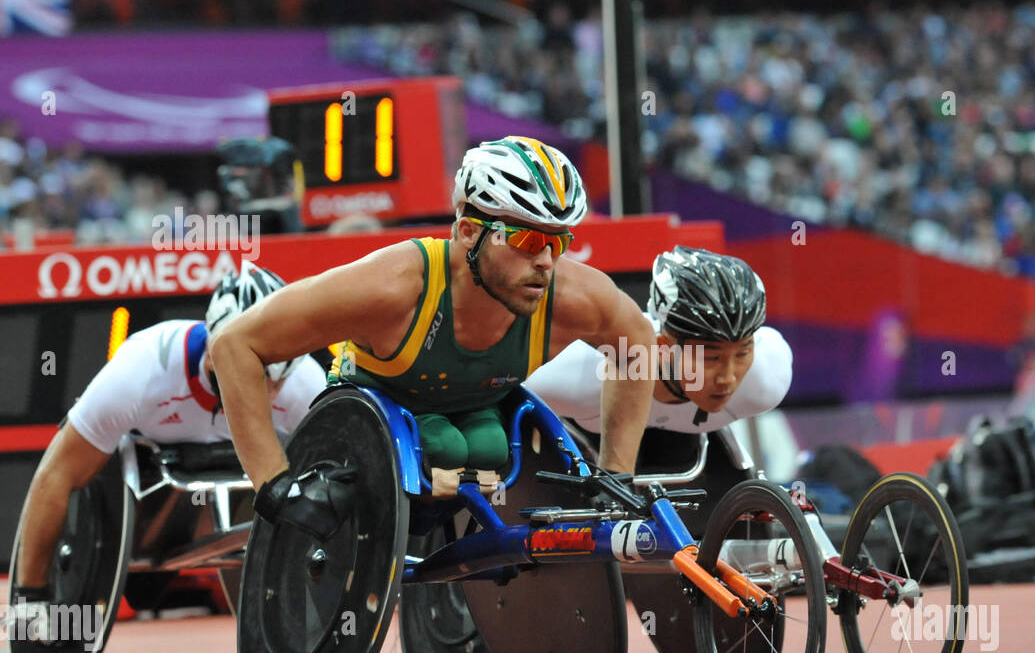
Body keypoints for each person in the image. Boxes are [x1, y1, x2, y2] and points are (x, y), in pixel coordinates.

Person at [209, 136, 656, 532]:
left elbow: (636, 344)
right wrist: (274, 486)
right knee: (447, 444)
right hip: (372, 421)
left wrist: (617, 475)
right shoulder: (391, 285)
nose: (545, 261)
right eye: (526, 241)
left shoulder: (577, 296)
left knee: (485, 445)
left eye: (559, 242)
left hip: (476, 418)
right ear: (468, 232)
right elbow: (235, 345)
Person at [11, 262, 326, 634]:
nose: (267, 393)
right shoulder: (142, 369)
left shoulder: (301, 381)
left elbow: (329, 472)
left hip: (233, 479)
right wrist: (29, 599)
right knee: (143, 590)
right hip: (147, 482)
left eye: (277, 379)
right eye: (255, 374)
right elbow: (56, 474)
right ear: (216, 349)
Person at [525, 246, 792, 439]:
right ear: (663, 347)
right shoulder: (570, 376)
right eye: (711, 358)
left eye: (743, 353)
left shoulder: (766, 378)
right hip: (585, 437)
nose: (728, 378)